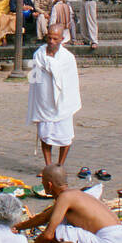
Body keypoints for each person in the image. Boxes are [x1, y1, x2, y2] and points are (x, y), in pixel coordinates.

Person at [16, 165, 122, 243]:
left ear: (49, 184)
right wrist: (19, 227)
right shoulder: (73, 194)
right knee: (60, 224)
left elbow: (48, 235)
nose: (42, 184)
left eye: (43, 182)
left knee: (56, 233)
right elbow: (44, 217)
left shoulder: (65, 198)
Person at [27, 26, 81, 167]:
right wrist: (36, 98)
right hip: (43, 102)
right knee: (45, 135)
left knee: (65, 136)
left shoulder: (68, 58)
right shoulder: (38, 55)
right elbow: (34, 80)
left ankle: (60, 166)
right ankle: (48, 166)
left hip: (62, 103)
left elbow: (71, 83)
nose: (51, 41)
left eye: (55, 39)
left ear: (62, 39)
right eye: (49, 37)